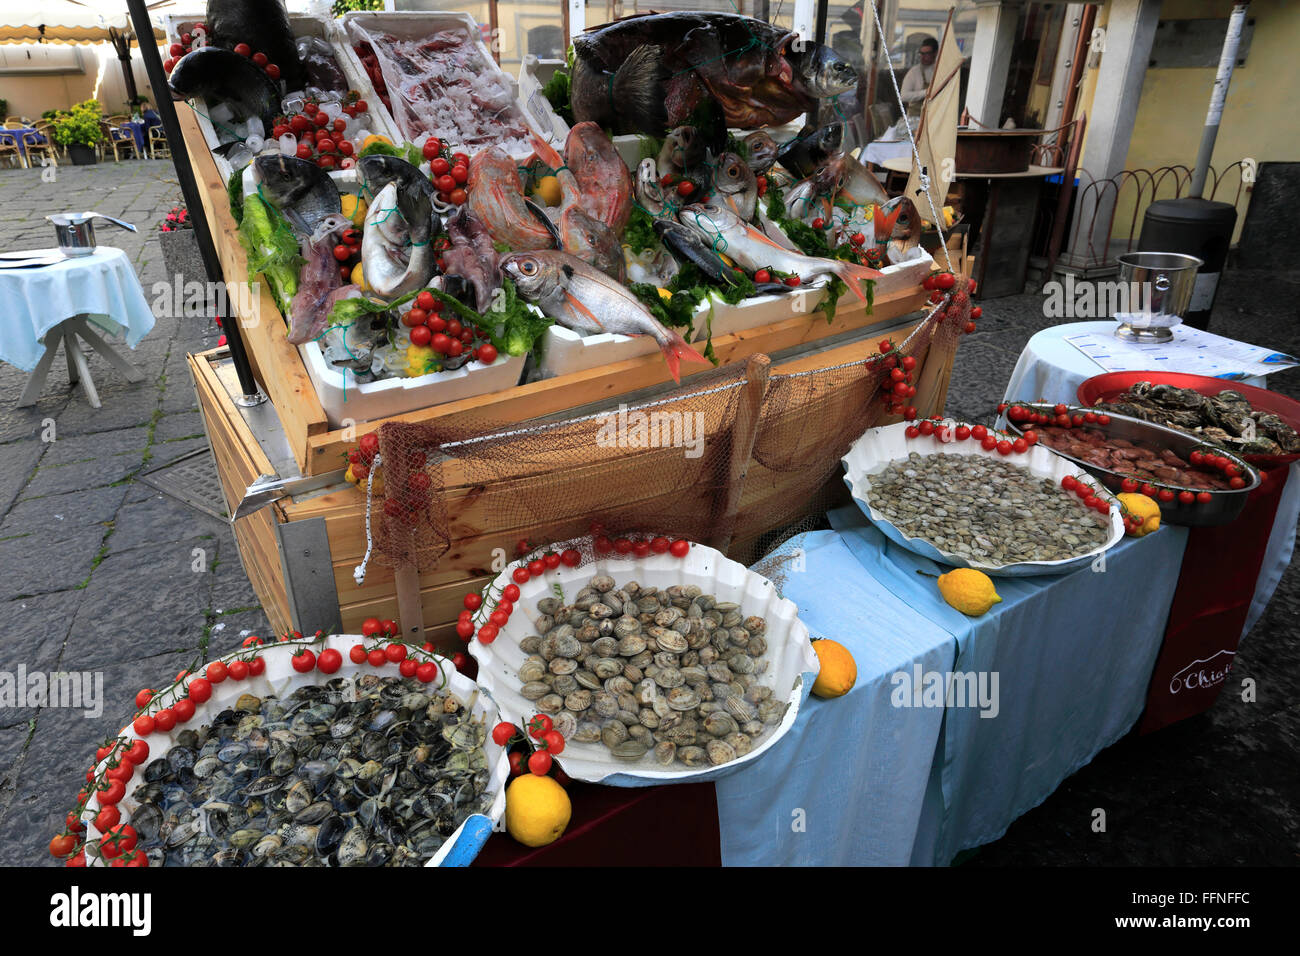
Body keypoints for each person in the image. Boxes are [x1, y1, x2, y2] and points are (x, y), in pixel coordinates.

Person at [900, 37, 938, 118]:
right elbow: (903, 96)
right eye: (921, 53)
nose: (922, 57)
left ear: (935, 53)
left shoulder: (941, 71)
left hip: (934, 117)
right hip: (915, 118)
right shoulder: (914, 72)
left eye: (927, 54)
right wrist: (925, 92)